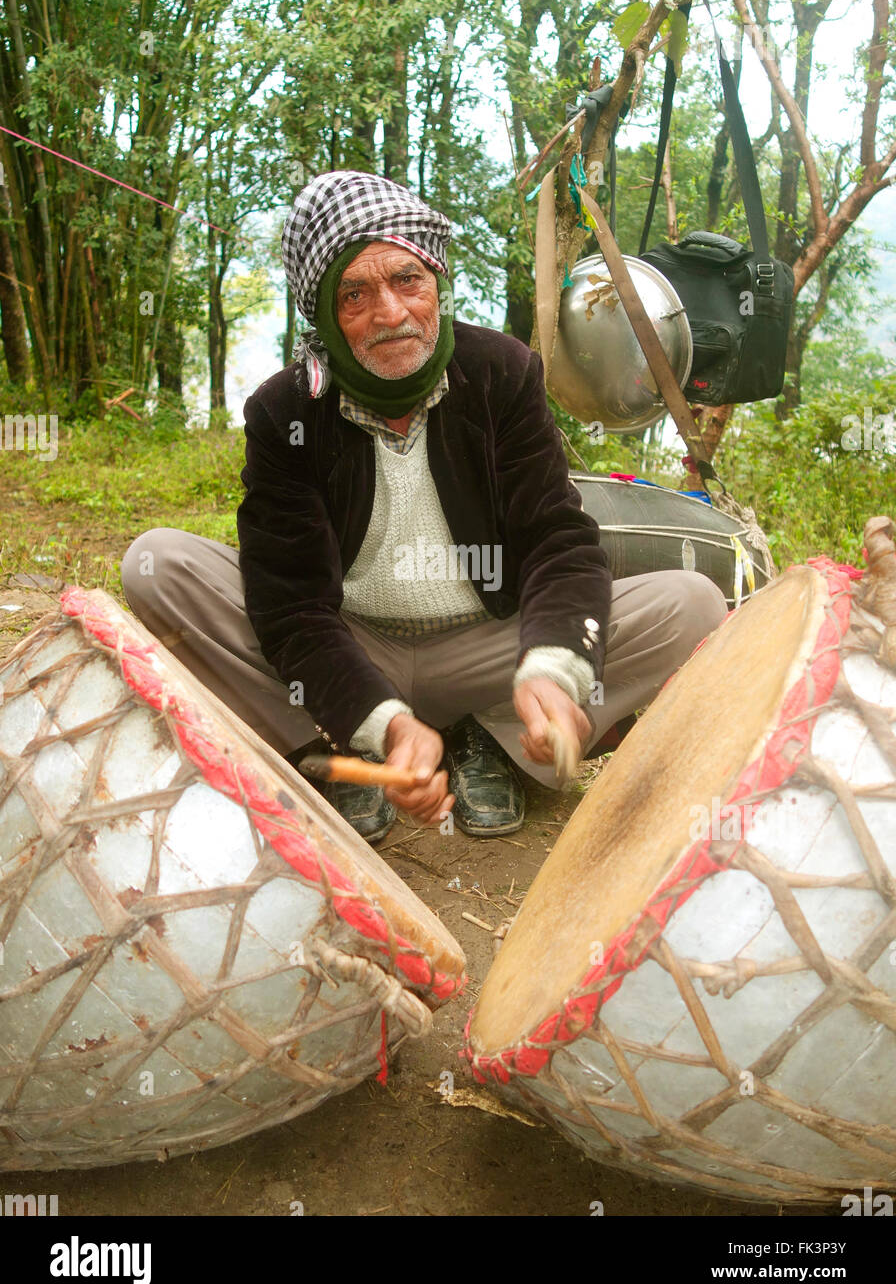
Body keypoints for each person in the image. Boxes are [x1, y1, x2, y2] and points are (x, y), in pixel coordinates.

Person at [121, 170, 727, 845]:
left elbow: (558, 540)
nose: (390, 313)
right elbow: (290, 607)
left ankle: (494, 736)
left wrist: (553, 668)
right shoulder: (285, 411)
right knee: (157, 564)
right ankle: (342, 751)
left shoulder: (503, 374)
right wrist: (383, 720)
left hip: (487, 647)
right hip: (355, 644)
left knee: (693, 604)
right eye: (355, 294)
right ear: (324, 313)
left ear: (436, 280)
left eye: (408, 280)